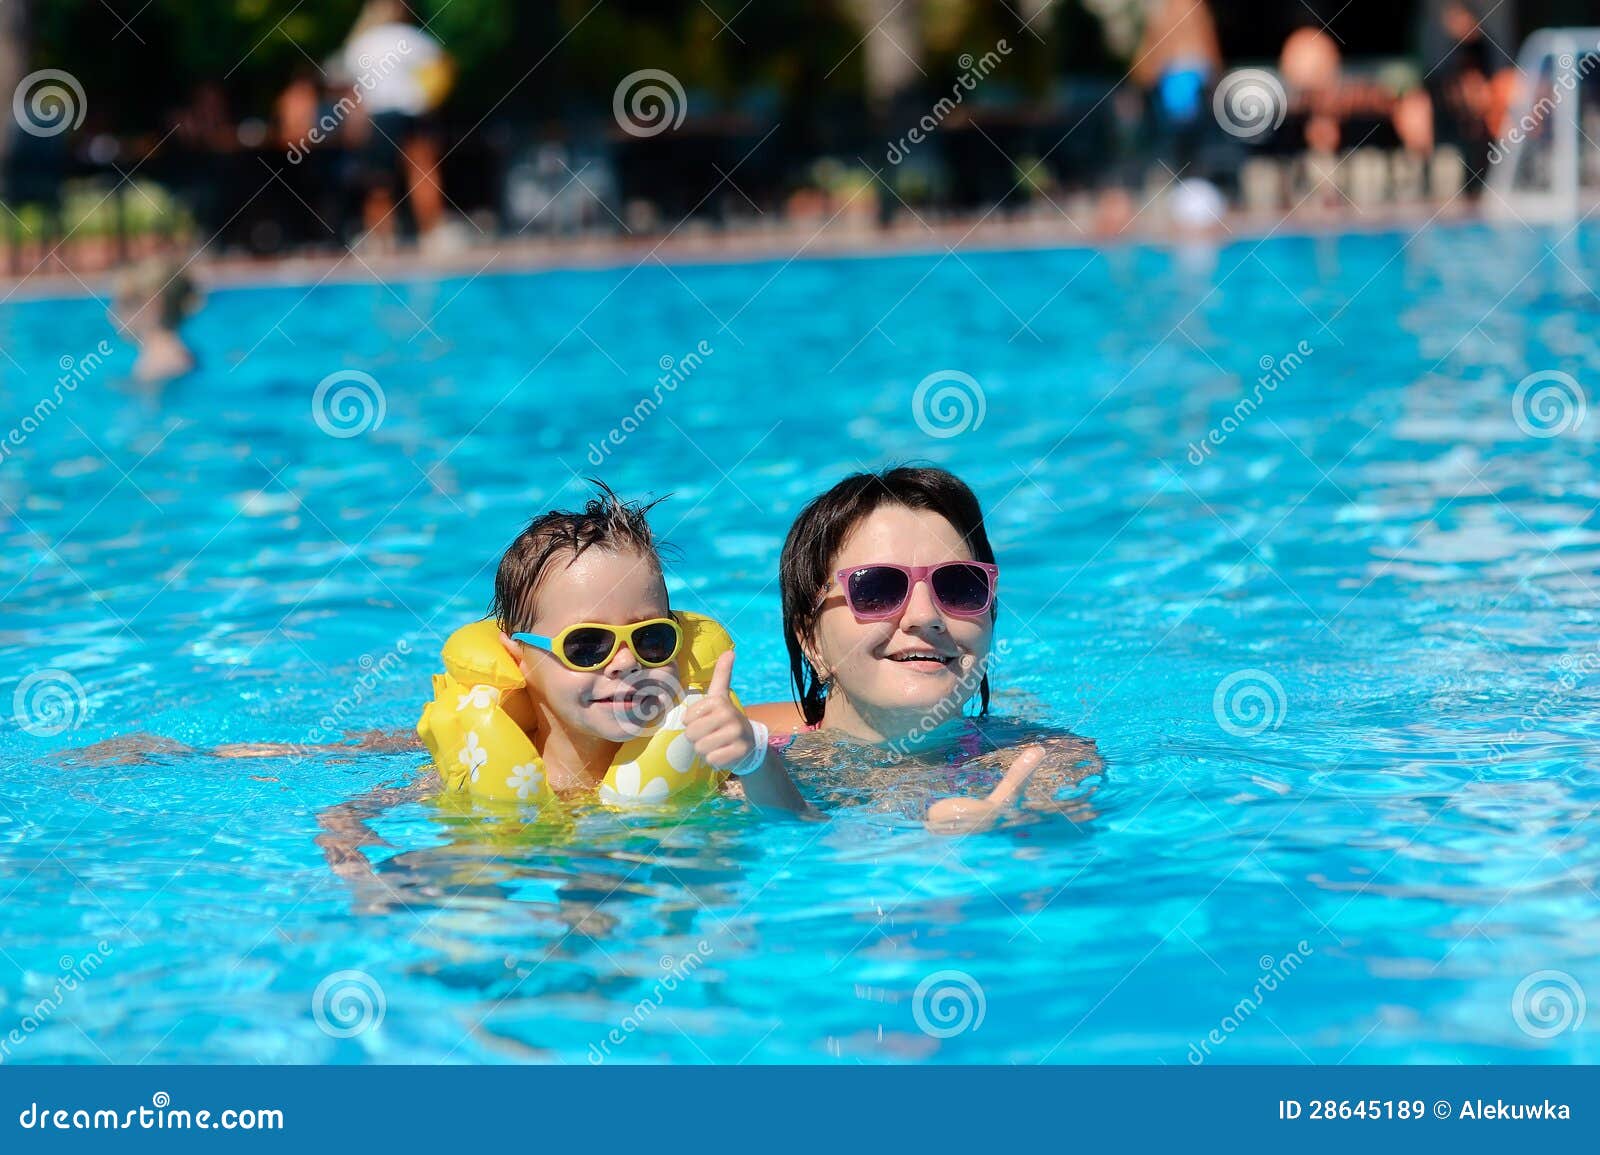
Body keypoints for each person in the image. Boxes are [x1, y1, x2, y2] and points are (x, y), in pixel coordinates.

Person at [747, 466, 1102, 832]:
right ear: (810, 639)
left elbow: (1074, 861)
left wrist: (1014, 830)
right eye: (877, 589)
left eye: (960, 585)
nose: (925, 616)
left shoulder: (1043, 761)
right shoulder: (736, 755)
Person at [108, 257, 201, 383]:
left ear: (152, 305)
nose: (111, 312)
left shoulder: (158, 364)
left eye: (126, 302)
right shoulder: (184, 354)